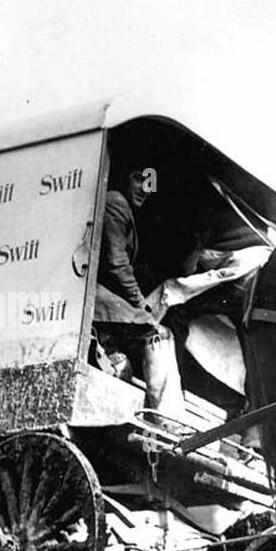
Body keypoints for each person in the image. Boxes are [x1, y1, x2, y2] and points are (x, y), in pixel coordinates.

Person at [93, 164, 185, 417]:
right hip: (96, 296)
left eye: (149, 183)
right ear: (123, 178)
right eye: (138, 179)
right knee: (158, 333)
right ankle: (167, 418)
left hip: (104, 299)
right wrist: (140, 305)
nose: (145, 189)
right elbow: (117, 264)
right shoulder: (116, 202)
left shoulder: (122, 207)